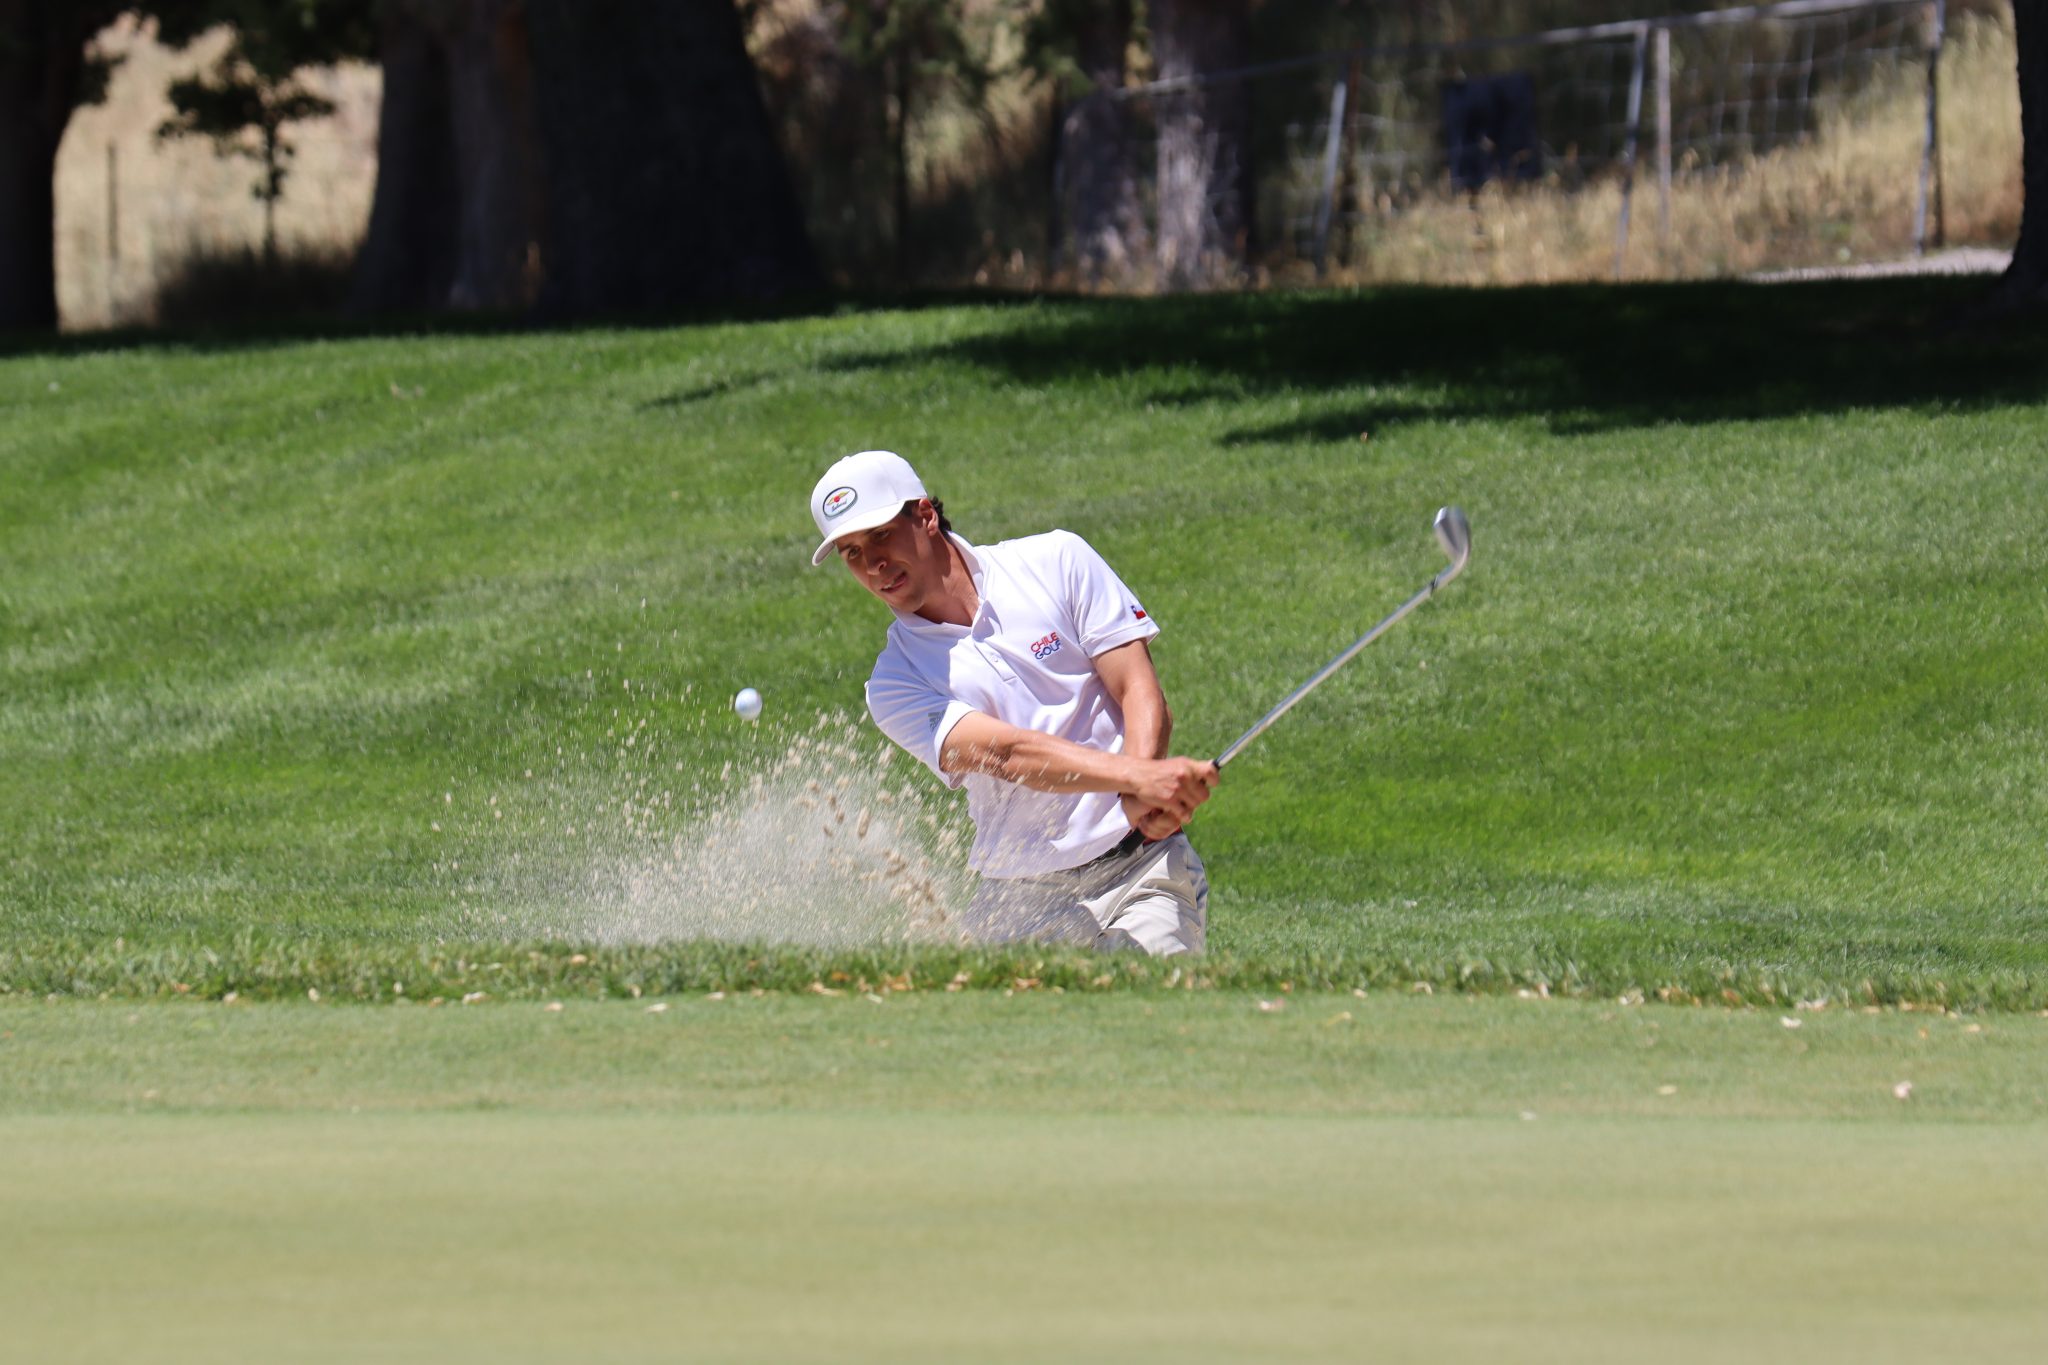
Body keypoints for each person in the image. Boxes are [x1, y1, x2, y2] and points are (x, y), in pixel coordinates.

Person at [808, 449, 1218, 955]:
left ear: (925, 515)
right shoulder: (894, 682)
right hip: (1022, 898)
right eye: (851, 552)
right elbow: (1007, 755)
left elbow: (1137, 687)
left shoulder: (1056, 559)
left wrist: (1143, 796)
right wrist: (1137, 781)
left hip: (1142, 867)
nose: (873, 564)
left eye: (880, 535)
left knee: (1161, 1015)